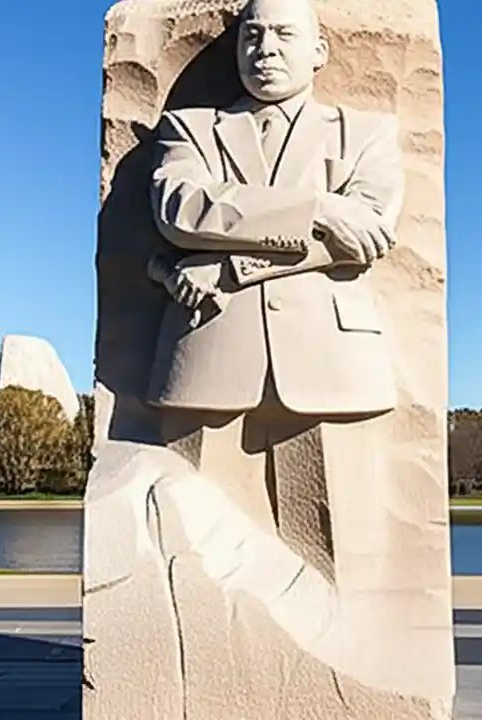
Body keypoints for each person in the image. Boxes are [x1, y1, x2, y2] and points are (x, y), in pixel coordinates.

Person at [145, 0, 404, 581]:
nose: (265, 49)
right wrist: (316, 207)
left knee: (333, 552)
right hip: (208, 347)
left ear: (319, 52)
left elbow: (362, 238)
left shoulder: (364, 134)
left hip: (330, 356)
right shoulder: (191, 128)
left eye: (284, 35)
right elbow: (183, 209)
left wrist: (229, 267)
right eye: (251, 36)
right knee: (189, 552)